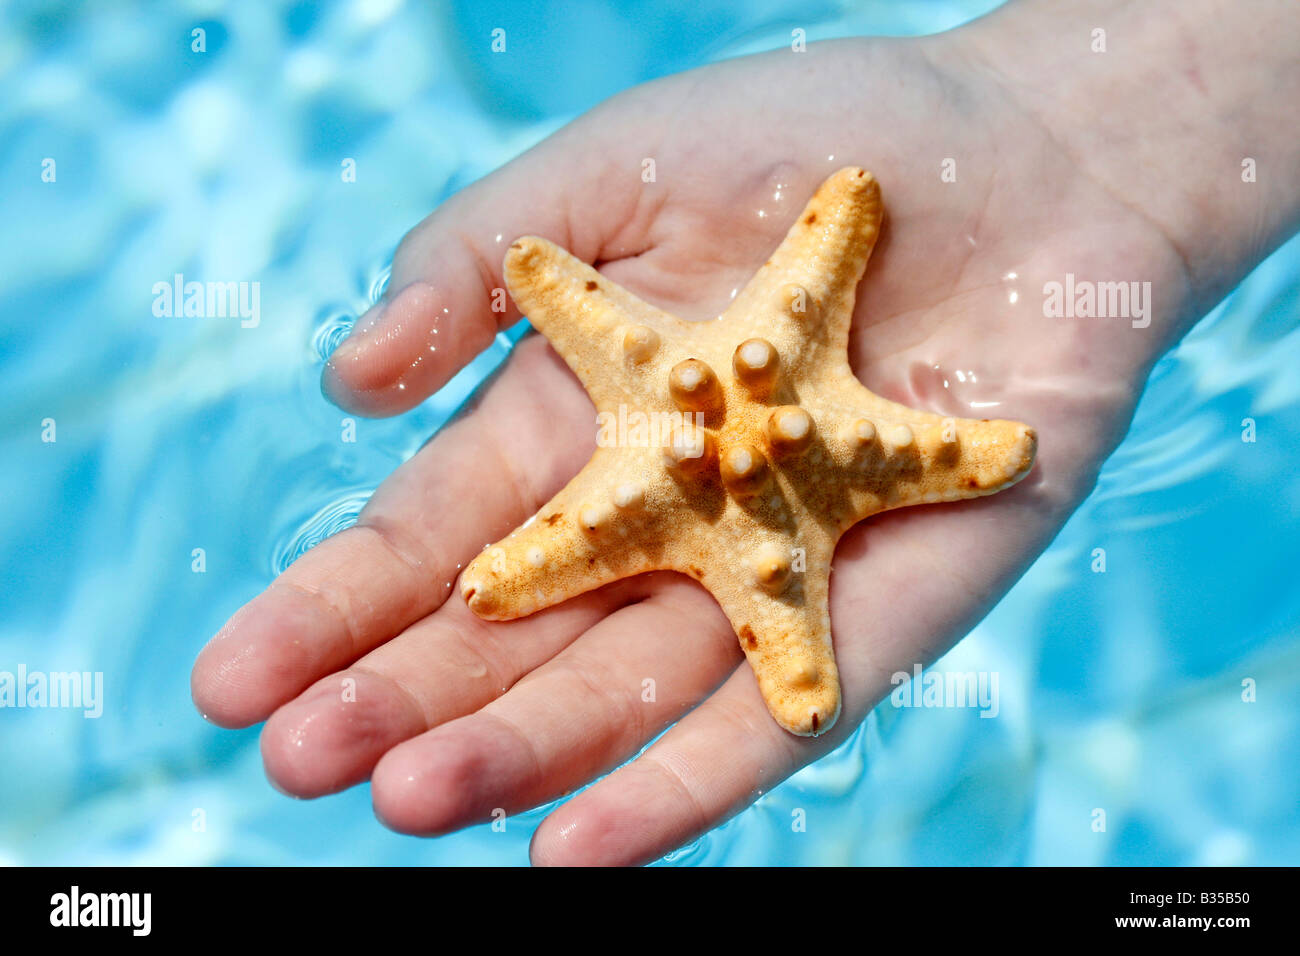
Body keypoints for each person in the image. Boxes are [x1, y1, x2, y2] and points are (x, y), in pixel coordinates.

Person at [190, 0, 1300, 865]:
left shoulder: (794, 383)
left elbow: (965, 433)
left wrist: (1078, 120)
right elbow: (553, 283)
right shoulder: (697, 358)